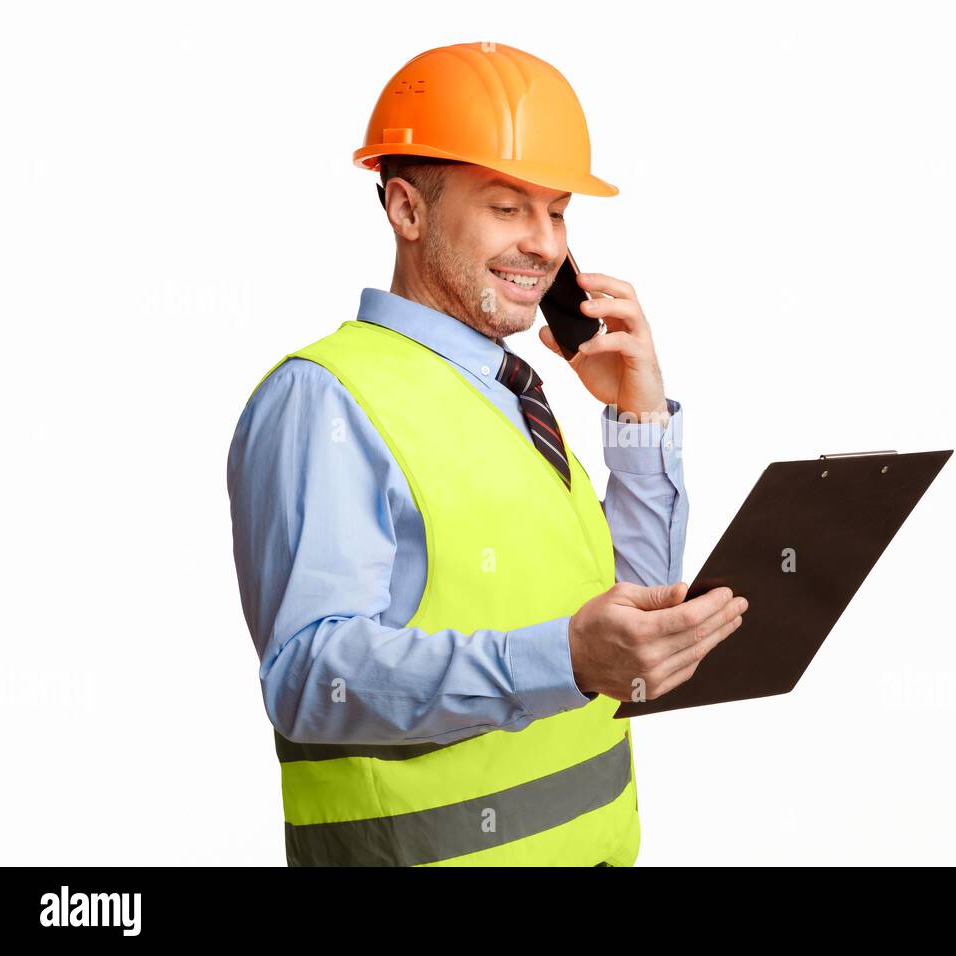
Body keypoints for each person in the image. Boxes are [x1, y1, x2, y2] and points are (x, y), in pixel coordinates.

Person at [226, 42, 747, 867]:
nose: (544, 245)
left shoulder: (512, 392)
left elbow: (616, 608)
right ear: (406, 210)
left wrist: (640, 418)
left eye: (559, 211)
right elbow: (305, 677)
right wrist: (564, 659)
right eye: (508, 208)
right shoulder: (325, 397)